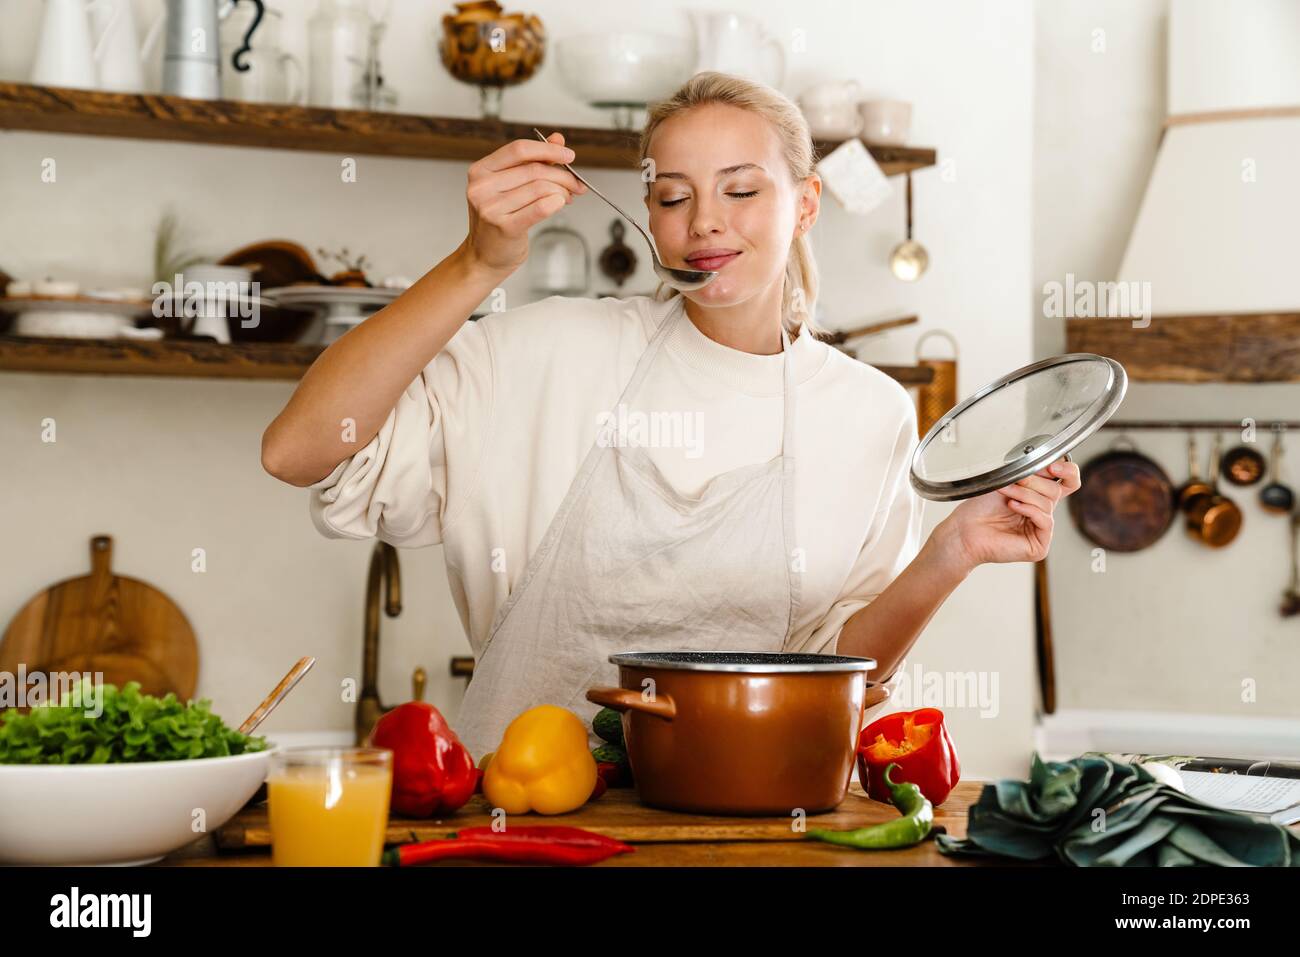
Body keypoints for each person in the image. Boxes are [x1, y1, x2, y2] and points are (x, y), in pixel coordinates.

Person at [261, 72, 1081, 759]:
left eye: (742, 189)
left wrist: (956, 548)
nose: (705, 222)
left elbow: (846, 678)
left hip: (754, 824)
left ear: (805, 204)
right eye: (673, 195)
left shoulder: (867, 410)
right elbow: (298, 450)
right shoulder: (545, 351)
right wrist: (479, 261)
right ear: (649, 214)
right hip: (519, 822)